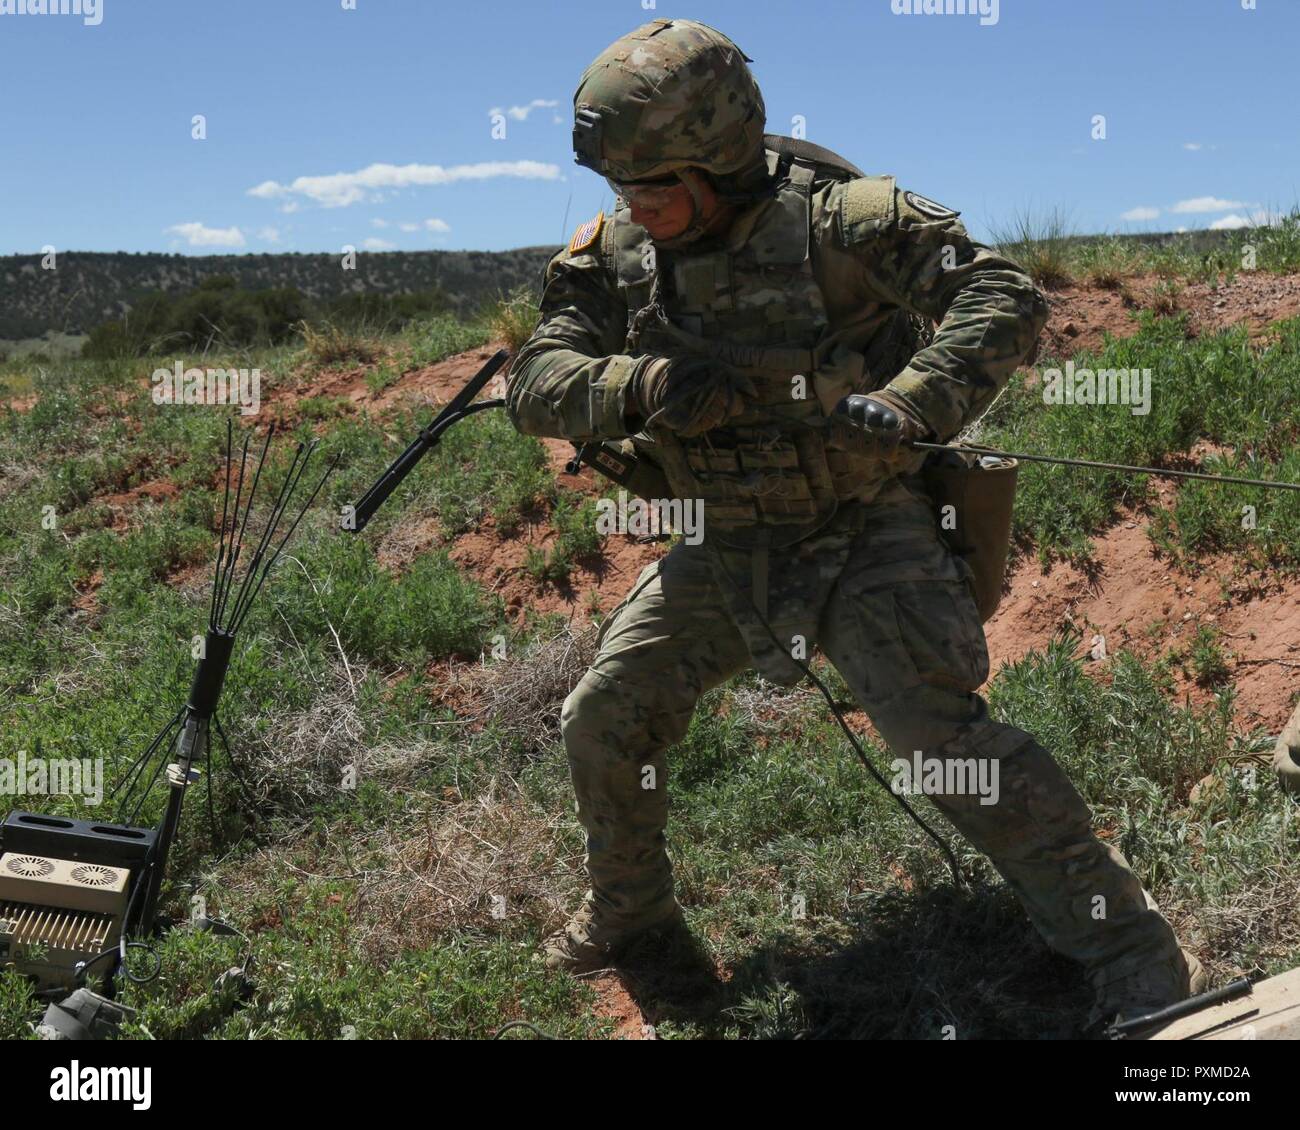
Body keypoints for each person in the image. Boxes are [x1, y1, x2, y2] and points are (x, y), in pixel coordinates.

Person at [506, 17, 1203, 1031]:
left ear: (722, 152)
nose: (636, 206)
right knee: (603, 717)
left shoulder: (847, 220)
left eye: (656, 183)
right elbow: (535, 382)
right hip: (724, 539)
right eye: (623, 186)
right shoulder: (617, 254)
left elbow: (1000, 295)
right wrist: (639, 380)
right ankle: (633, 914)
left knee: (942, 741)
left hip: (863, 525)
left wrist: (918, 398)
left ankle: (1126, 945)